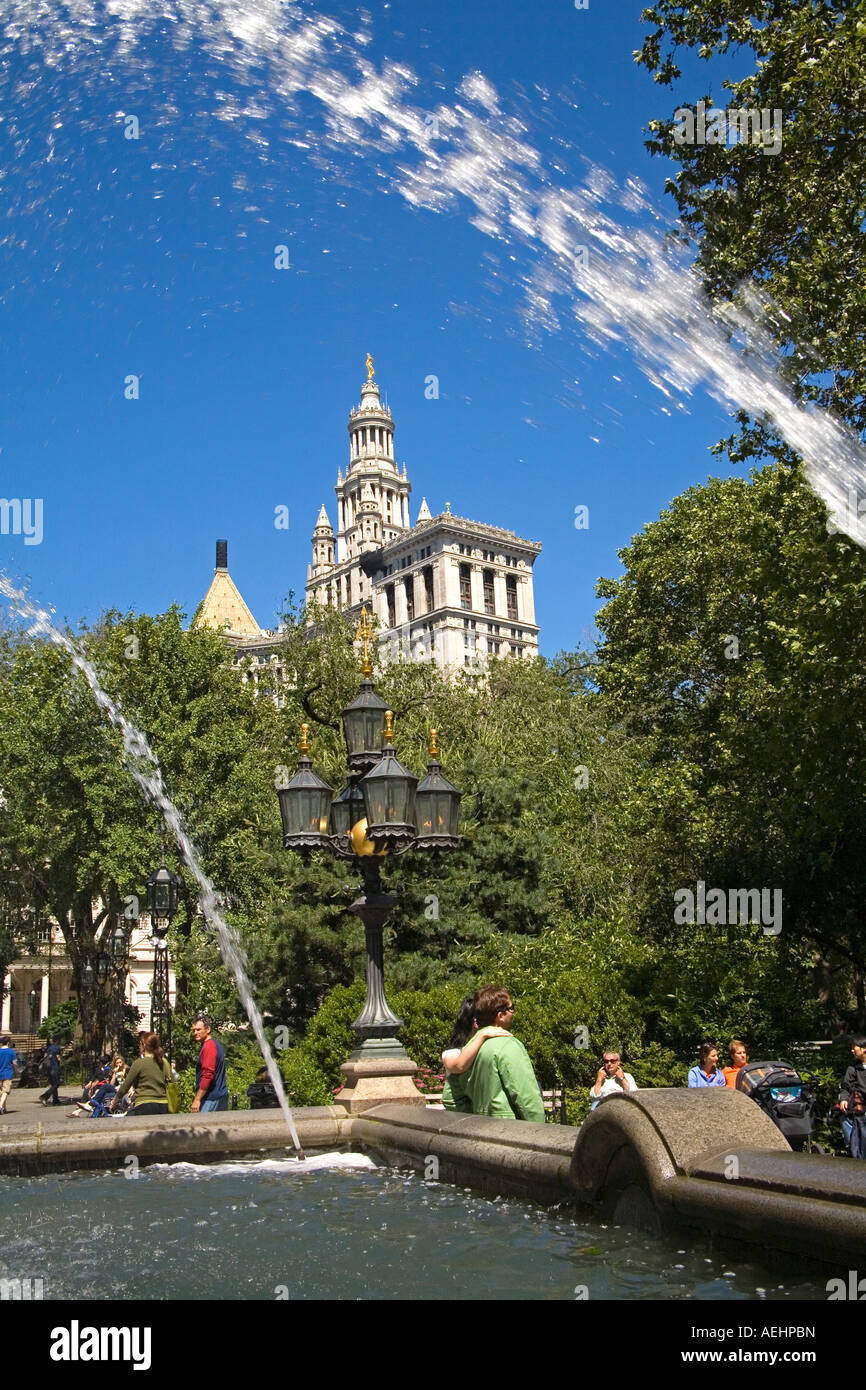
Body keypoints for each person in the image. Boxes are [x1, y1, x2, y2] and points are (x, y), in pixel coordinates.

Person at [464, 986, 544, 1122]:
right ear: (500, 1016)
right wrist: (543, 1133)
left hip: (478, 1128)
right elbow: (527, 1099)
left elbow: (450, 1097)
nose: (513, 1012)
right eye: (512, 1008)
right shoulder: (508, 1045)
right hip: (509, 1131)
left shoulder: (469, 1048)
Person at [440, 996, 510, 1112]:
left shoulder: (489, 1047)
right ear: (475, 1021)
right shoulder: (452, 1053)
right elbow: (458, 1066)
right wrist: (482, 1035)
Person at [111, 1034, 169, 1117]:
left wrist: (114, 1101)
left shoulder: (138, 1063)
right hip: (163, 1105)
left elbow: (125, 1086)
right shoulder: (164, 1062)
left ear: (144, 1045)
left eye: (140, 1044)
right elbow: (171, 1082)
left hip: (144, 1105)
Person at [191, 1013, 229, 1113]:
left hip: (211, 1098)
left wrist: (197, 1099)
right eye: (194, 1030)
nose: (195, 1033)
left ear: (207, 1030)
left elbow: (208, 1075)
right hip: (220, 1095)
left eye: (198, 1030)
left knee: (202, 1127)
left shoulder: (209, 1047)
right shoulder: (216, 1045)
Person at [837, 1036, 866, 1157]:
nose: (852, 1050)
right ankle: (855, 1152)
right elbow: (846, 1087)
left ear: (864, 1049)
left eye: (854, 1048)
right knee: (844, 1117)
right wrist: (843, 1099)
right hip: (859, 1107)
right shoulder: (852, 1068)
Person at [38, 1036, 63, 1106]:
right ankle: (45, 1096)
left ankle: (55, 1100)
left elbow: (45, 1057)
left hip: (49, 1068)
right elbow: (58, 1058)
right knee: (56, 1084)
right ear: (58, 1040)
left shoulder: (49, 1048)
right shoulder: (57, 1048)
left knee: (53, 1084)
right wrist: (62, 1060)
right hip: (55, 1067)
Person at [0, 1035, 17, 1115]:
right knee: (6, 1091)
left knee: (1, 1092)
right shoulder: (11, 1052)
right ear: (8, 1043)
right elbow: (14, 1063)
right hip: (7, 1073)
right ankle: (0, 1106)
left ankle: (4, 1107)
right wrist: (16, 1071)